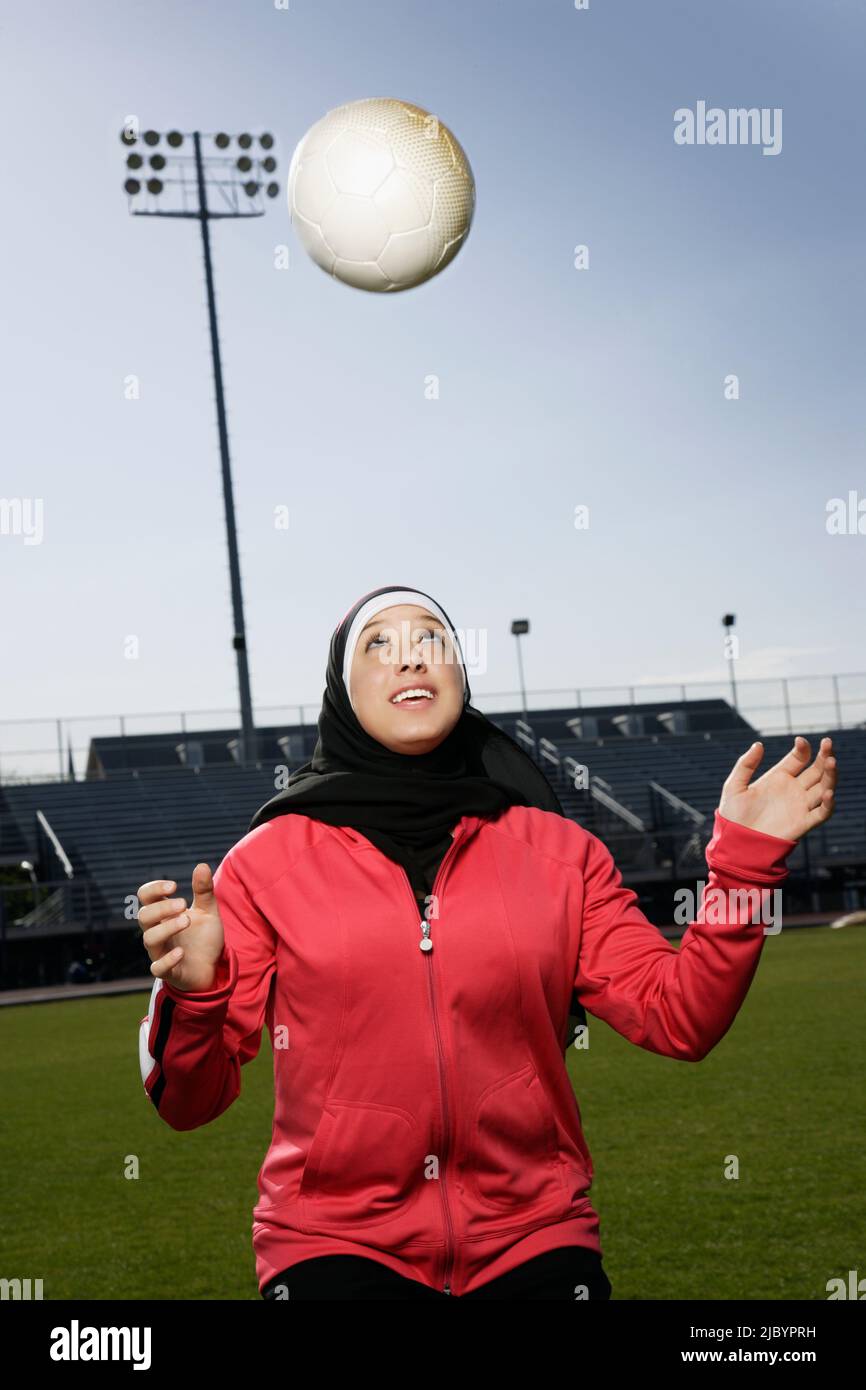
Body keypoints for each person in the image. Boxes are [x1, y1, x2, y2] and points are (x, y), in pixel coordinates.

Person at [136, 584, 837, 1300]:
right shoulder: (265, 863)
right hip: (332, 1243)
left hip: (536, 1234)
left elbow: (681, 1018)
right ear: (340, 690)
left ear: (460, 676)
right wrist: (194, 999)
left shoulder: (562, 852)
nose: (412, 660)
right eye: (380, 644)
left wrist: (746, 864)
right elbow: (190, 1103)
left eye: (433, 641)